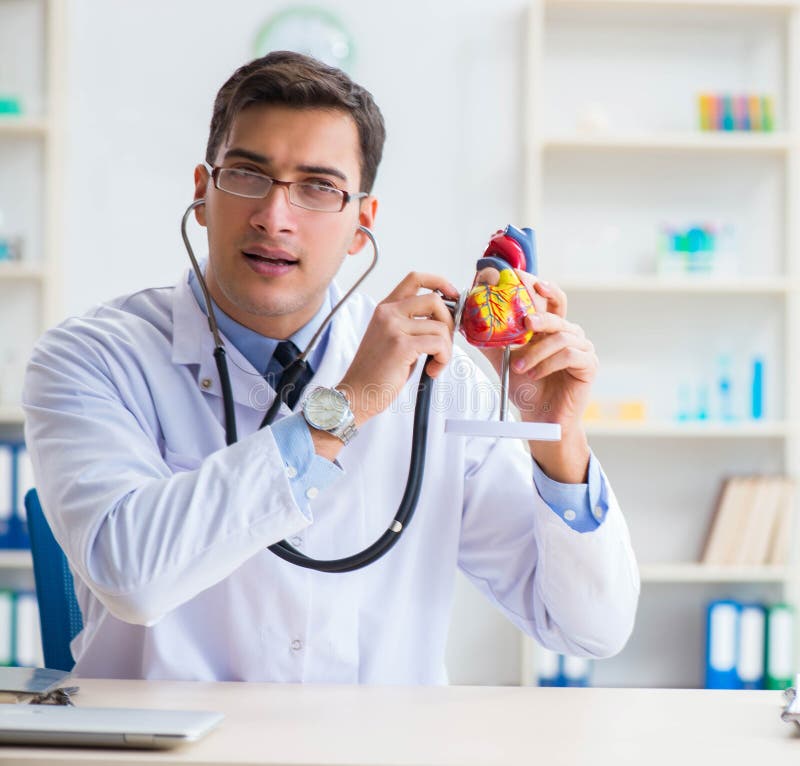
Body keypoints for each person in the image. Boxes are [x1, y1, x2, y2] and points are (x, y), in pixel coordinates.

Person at [23, 51, 639, 683]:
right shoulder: (90, 359)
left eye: (318, 187)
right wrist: (345, 408)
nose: (274, 217)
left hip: (375, 735)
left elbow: (588, 628)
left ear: (360, 226)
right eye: (247, 175)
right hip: (168, 733)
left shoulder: (441, 379)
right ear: (203, 194)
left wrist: (556, 437)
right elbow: (131, 578)